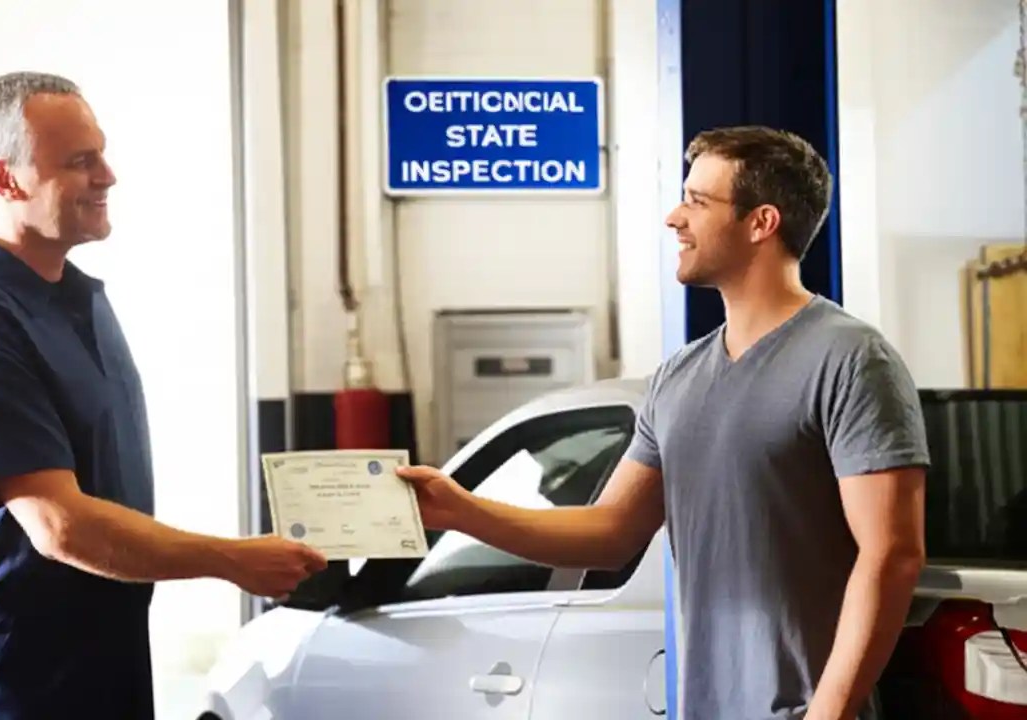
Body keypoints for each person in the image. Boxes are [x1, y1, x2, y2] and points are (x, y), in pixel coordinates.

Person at [397, 125, 928, 720]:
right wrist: (460, 510)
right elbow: (610, 532)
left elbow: (891, 552)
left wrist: (829, 712)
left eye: (697, 201)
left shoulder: (851, 359)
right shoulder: (677, 377)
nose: (675, 218)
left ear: (761, 223)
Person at [0, 71, 326, 719]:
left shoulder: (78, 302)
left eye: (101, 154)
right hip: (11, 669)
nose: (108, 176)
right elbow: (60, 526)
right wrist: (232, 559)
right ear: (5, 178)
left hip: (105, 647)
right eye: (80, 161)